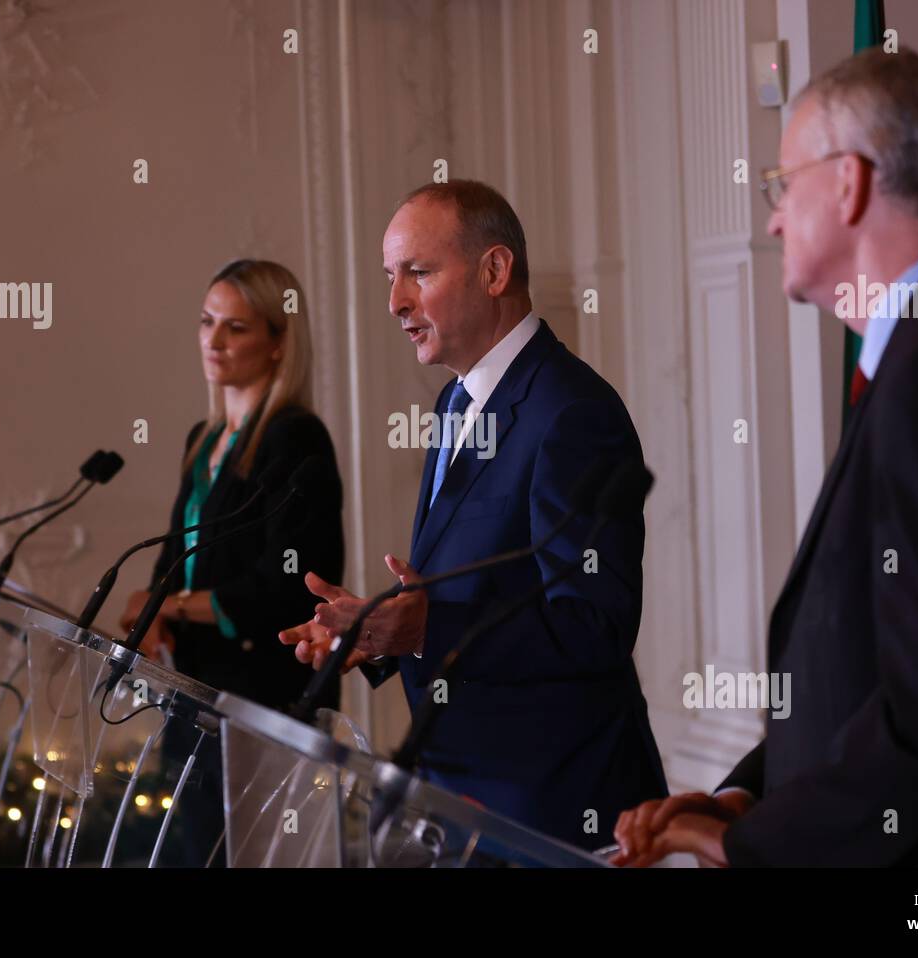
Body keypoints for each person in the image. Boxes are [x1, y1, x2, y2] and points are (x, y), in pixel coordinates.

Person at [612, 48, 918, 867]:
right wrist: (747, 794)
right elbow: (891, 669)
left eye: (781, 184)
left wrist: (753, 845)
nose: (771, 218)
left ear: (848, 183)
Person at [279, 180, 667, 852]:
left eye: (417, 273)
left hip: (555, 808)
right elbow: (474, 593)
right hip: (466, 799)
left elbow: (594, 625)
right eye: (389, 276)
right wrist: (378, 631)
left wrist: (425, 625)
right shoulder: (456, 404)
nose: (395, 301)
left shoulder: (572, 413)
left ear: (494, 270)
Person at [120, 258, 344, 865]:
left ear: (278, 342)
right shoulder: (205, 438)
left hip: (261, 705)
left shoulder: (296, 439)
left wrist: (174, 605)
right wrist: (155, 608)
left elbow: (288, 585)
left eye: (236, 327)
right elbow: (178, 553)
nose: (213, 341)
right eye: (206, 321)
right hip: (194, 697)